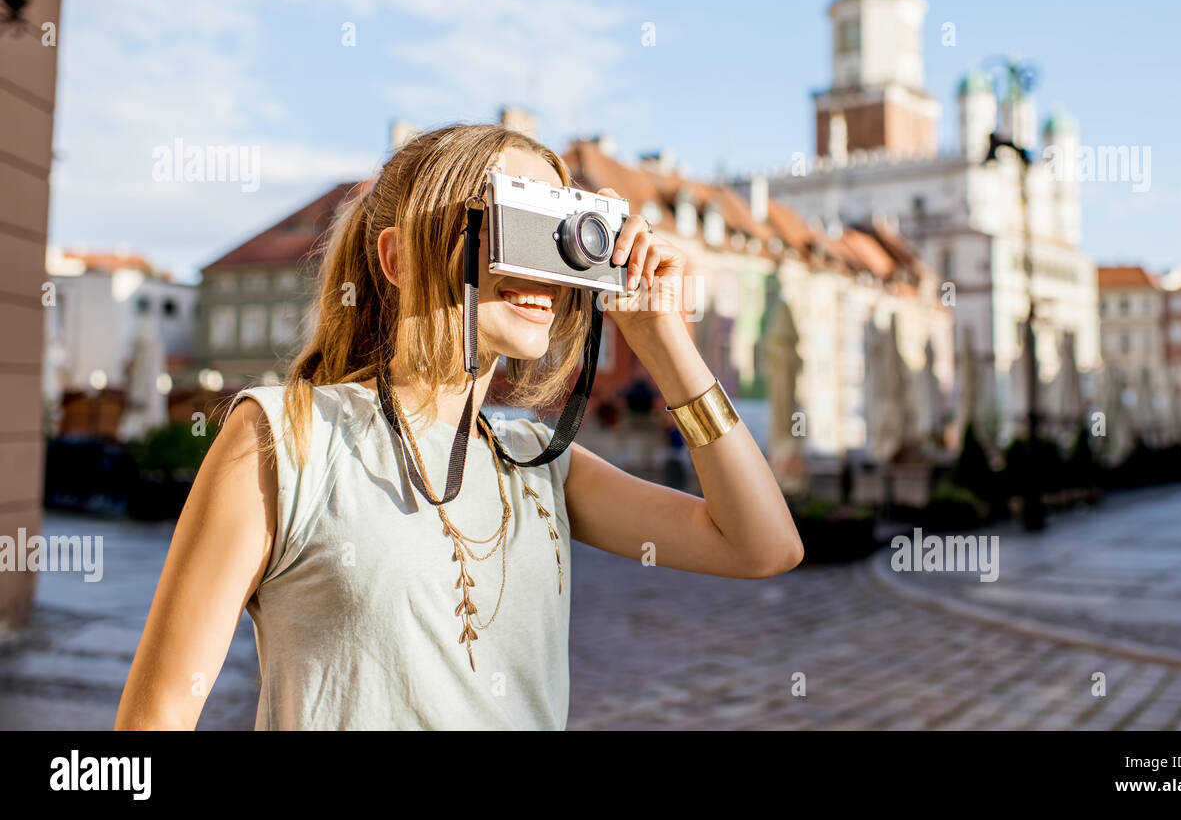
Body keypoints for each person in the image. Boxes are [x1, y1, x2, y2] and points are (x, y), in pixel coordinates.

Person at [115, 124, 803, 730]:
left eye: (561, 234)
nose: (545, 270)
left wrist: (667, 344)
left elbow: (762, 546)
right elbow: (158, 717)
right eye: (517, 225)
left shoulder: (538, 459)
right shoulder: (285, 435)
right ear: (400, 259)